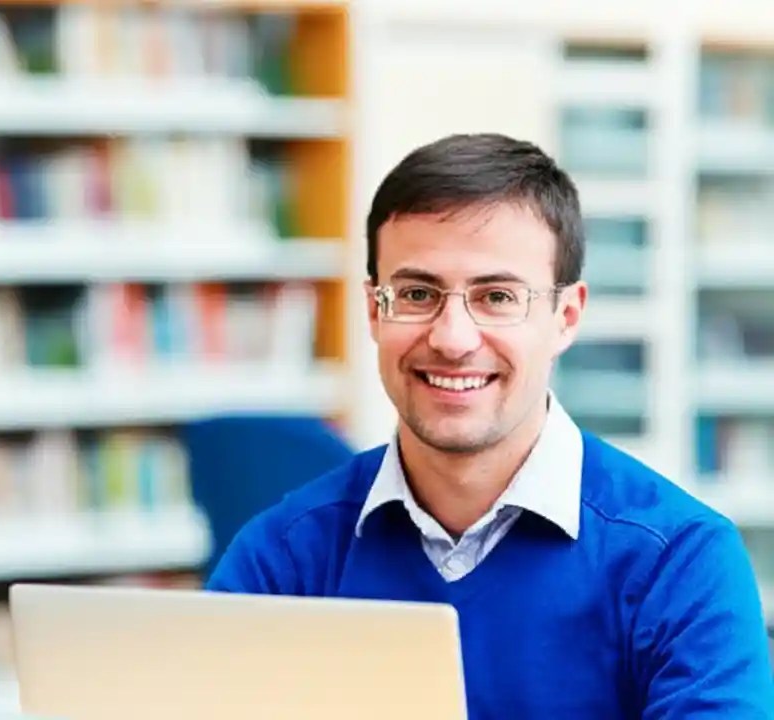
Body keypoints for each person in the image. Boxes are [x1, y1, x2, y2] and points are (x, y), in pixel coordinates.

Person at [206, 132, 774, 718]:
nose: (452, 338)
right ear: (375, 310)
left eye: (497, 296)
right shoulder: (284, 557)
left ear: (566, 317)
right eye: (418, 293)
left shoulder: (680, 563)